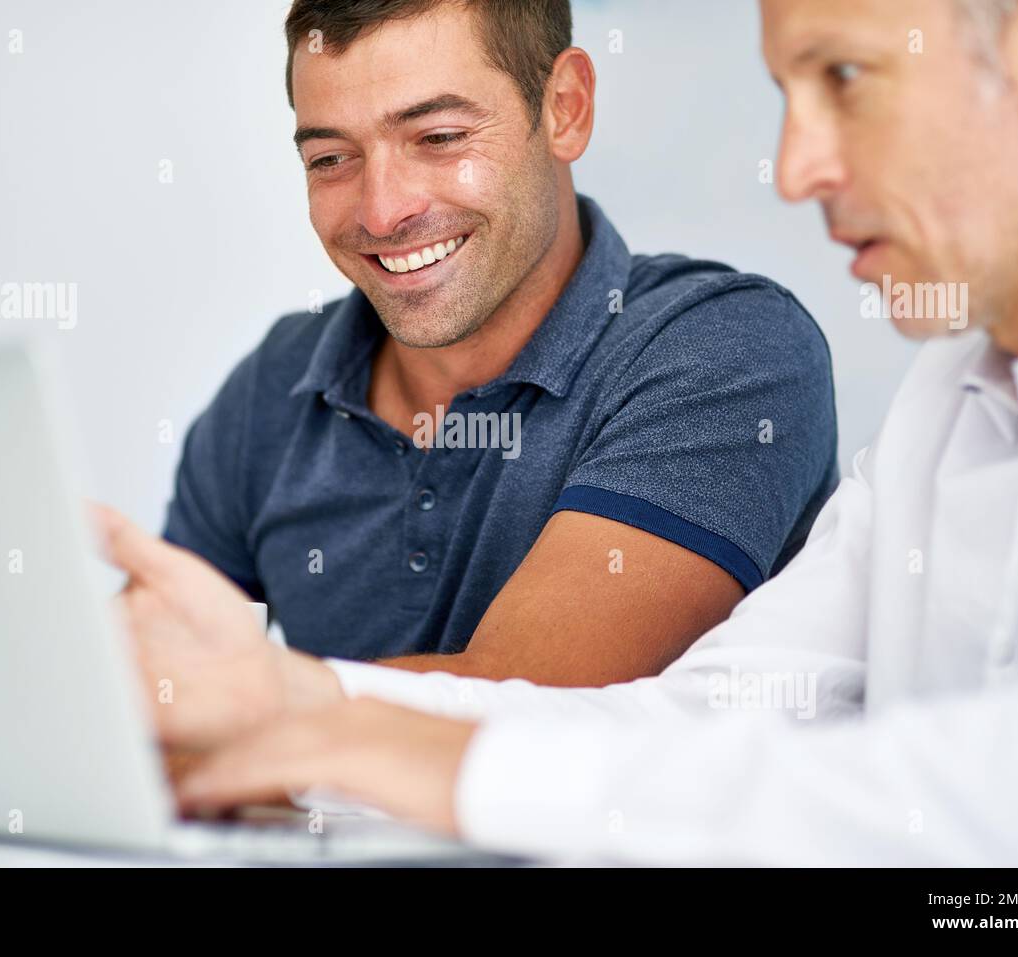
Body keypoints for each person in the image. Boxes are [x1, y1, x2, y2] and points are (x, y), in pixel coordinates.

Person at [99, 0, 1018, 865]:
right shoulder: (947, 400)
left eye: (844, 78)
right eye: (330, 155)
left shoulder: (718, 346)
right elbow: (702, 716)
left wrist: (319, 727)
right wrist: (295, 702)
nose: (795, 168)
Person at [160, 0, 838, 685]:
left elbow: (519, 700)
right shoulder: (272, 387)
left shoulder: (726, 352)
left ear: (565, 109)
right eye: (332, 158)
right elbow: (145, 696)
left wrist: (232, 705)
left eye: (440, 137)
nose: (381, 210)